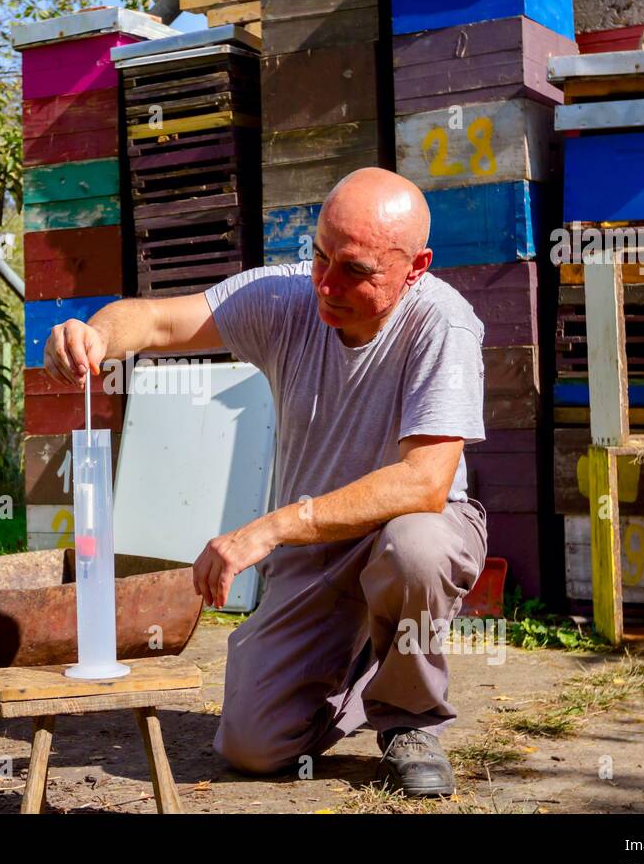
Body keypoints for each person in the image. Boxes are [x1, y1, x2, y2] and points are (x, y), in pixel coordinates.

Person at [41, 167, 488, 797]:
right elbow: (159, 323)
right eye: (320, 256)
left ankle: (409, 720)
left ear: (415, 267)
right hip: (316, 554)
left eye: (355, 271)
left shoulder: (443, 326)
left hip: (413, 528)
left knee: (416, 548)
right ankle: (364, 669)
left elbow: (423, 484)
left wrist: (271, 528)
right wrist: (96, 334)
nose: (327, 284)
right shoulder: (284, 298)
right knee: (253, 748)